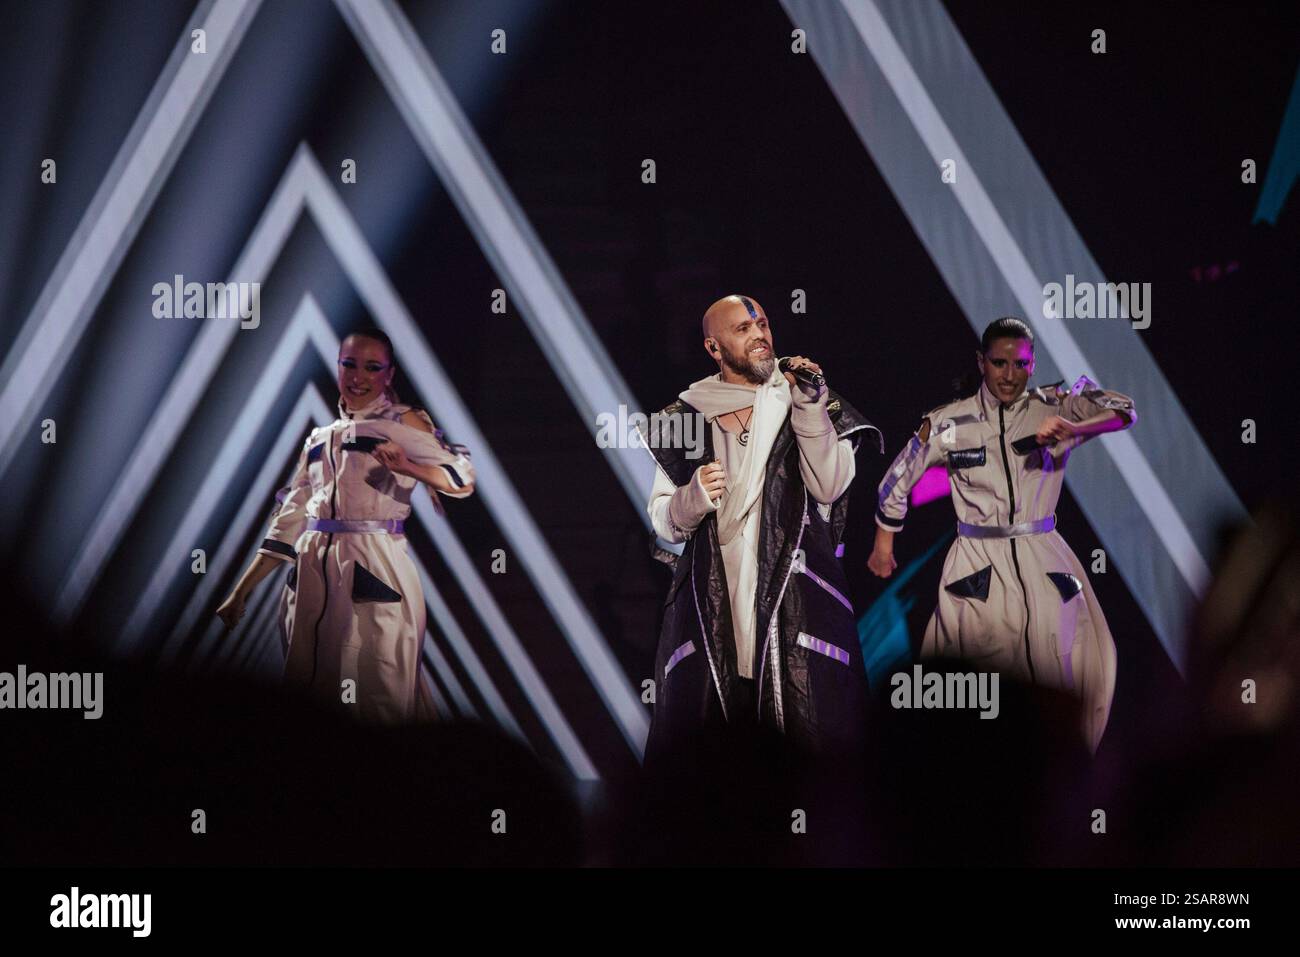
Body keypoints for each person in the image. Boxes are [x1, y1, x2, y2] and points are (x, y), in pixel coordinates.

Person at [868, 317, 1135, 754]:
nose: (1010, 374)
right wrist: (884, 546)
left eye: (1021, 363)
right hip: (976, 561)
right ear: (981, 362)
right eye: (999, 363)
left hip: (1044, 556)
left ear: (1033, 364)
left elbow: (1124, 411)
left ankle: (1060, 771)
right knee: (978, 676)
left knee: (1064, 662)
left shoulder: (1057, 405)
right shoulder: (947, 423)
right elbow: (896, 480)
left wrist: (1075, 429)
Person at [641, 294, 880, 759]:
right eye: (743, 330)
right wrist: (691, 498)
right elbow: (663, 521)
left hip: (796, 602)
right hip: (714, 602)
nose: (758, 337)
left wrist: (810, 408)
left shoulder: (805, 395)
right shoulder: (685, 415)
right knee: (719, 757)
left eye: (763, 325)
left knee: (805, 748)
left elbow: (830, 487)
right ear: (714, 348)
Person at [215, 328, 475, 723]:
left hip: (374, 566)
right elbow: (289, 520)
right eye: (349, 364)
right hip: (312, 575)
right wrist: (241, 592)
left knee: (379, 691)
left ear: (389, 375)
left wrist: (408, 467)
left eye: (373, 368)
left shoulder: (401, 422)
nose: (358, 376)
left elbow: (460, 477)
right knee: (310, 688)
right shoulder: (320, 439)